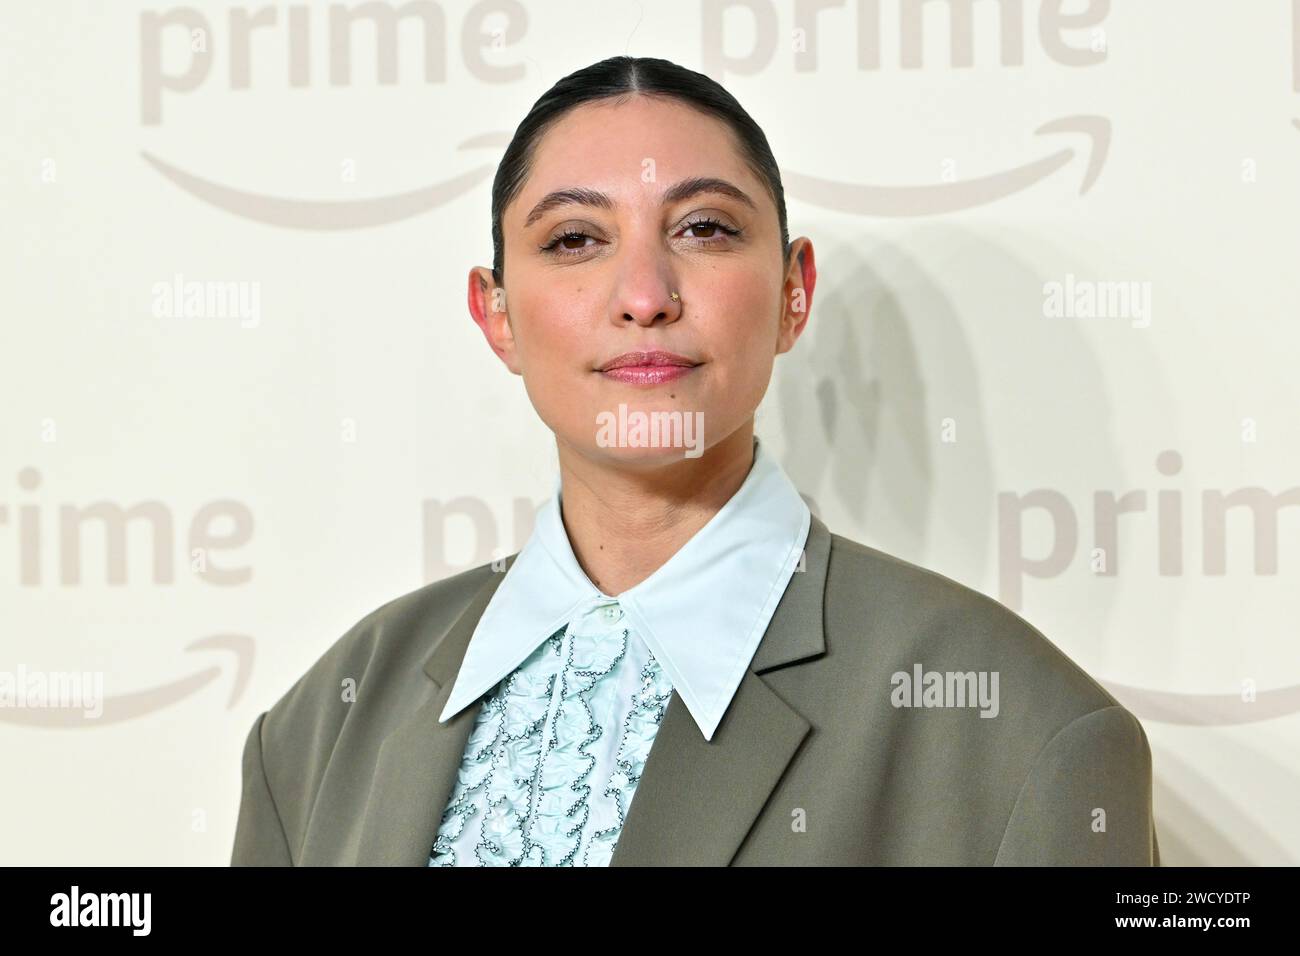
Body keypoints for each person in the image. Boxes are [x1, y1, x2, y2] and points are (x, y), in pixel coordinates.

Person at [231, 55, 1158, 866]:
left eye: (704, 229)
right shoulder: (322, 725)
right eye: (574, 240)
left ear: (794, 292)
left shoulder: (1020, 730)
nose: (643, 295)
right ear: (497, 315)